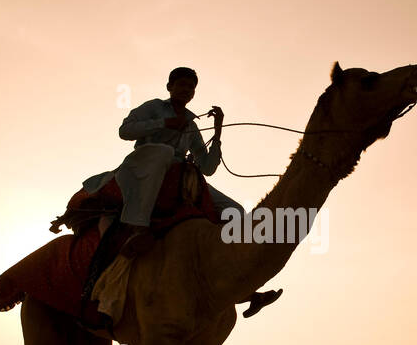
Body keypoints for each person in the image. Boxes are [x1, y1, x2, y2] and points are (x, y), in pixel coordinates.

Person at [86, 67, 281, 318]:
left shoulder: (191, 125)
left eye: (190, 87)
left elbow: (208, 168)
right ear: (169, 87)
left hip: (179, 175)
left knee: (235, 212)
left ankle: (243, 288)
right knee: (164, 153)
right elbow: (125, 131)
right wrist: (163, 123)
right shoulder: (154, 107)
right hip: (143, 168)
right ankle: (138, 227)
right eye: (181, 85)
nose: (186, 90)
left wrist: (218, 132)